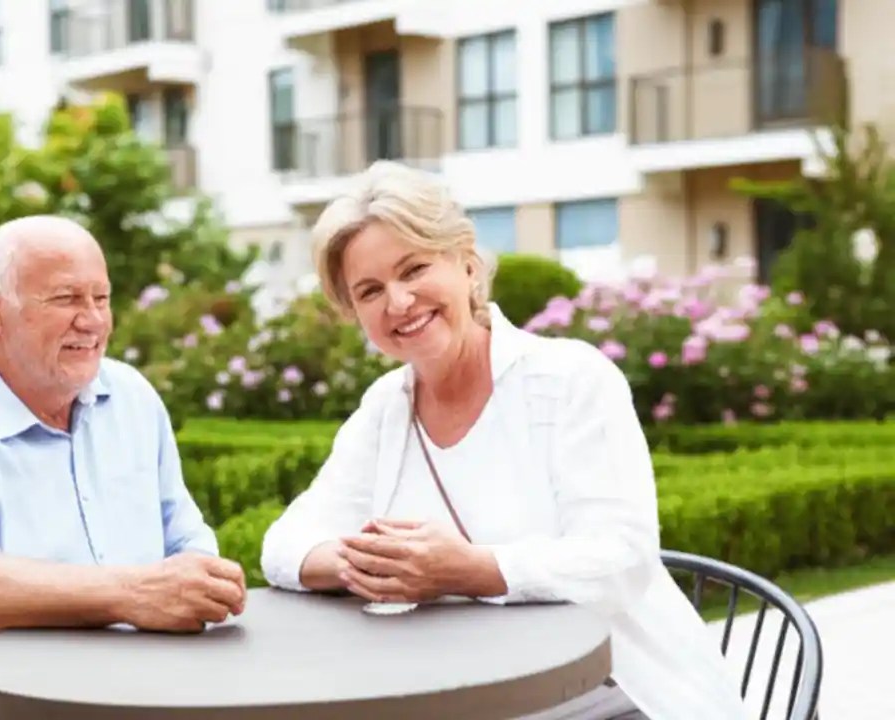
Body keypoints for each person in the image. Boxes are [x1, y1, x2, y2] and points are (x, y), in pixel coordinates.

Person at [259, 162, 750, 720]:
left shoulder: (570, 379)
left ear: (466, 264)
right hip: (473, 694)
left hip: (618, 691)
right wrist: (376, 564)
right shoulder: (384, 410)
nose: (398, 303)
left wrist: (465, 568)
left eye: (414, 268)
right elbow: (283, 546)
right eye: (370, 291)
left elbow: (620, 562)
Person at [0, 215, 247, 720]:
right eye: (66, 299)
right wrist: (134, 594)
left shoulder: (131, 398)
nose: (91, 320)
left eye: (101, 299)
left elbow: (186, 542)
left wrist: (199, 583)